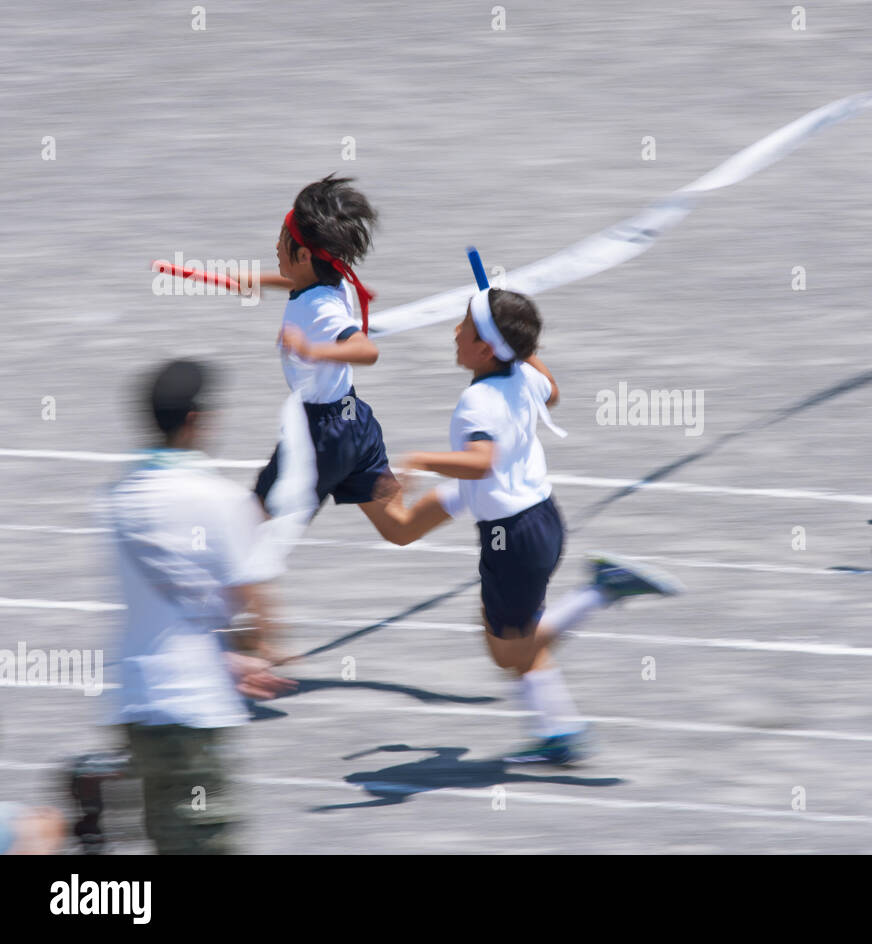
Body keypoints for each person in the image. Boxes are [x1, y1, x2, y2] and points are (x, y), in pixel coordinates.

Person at [399, 287, 682, 765]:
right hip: (544, 520)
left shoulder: (477, 402)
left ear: (486, 348)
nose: (454, 332)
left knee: (509, 652)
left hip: (511, 538)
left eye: (464, 328)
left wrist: (421, 459)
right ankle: (560, 731)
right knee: (506, 636)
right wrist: (522, 349)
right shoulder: (526, 375)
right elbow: (552, 392)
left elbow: (480, 462)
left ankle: (601, 591)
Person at [104, 359, 296, 852]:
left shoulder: (118, 499)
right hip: (195, 710)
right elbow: (259, 612)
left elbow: (164, 604)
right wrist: (254, 651)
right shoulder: (221, 499)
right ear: (195, 420)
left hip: (136, 707)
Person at [251, 174, 443, 544]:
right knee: (398, 527)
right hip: (353, 422)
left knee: (253, 531)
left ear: (304, 255)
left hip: (318, 437)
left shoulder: (319, 309)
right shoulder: (333, 279)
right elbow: (296, 282)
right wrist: (254, 280)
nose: (276, 246)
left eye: (282, 240)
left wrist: (311, 350)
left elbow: (365, 350)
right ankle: (465, 495)